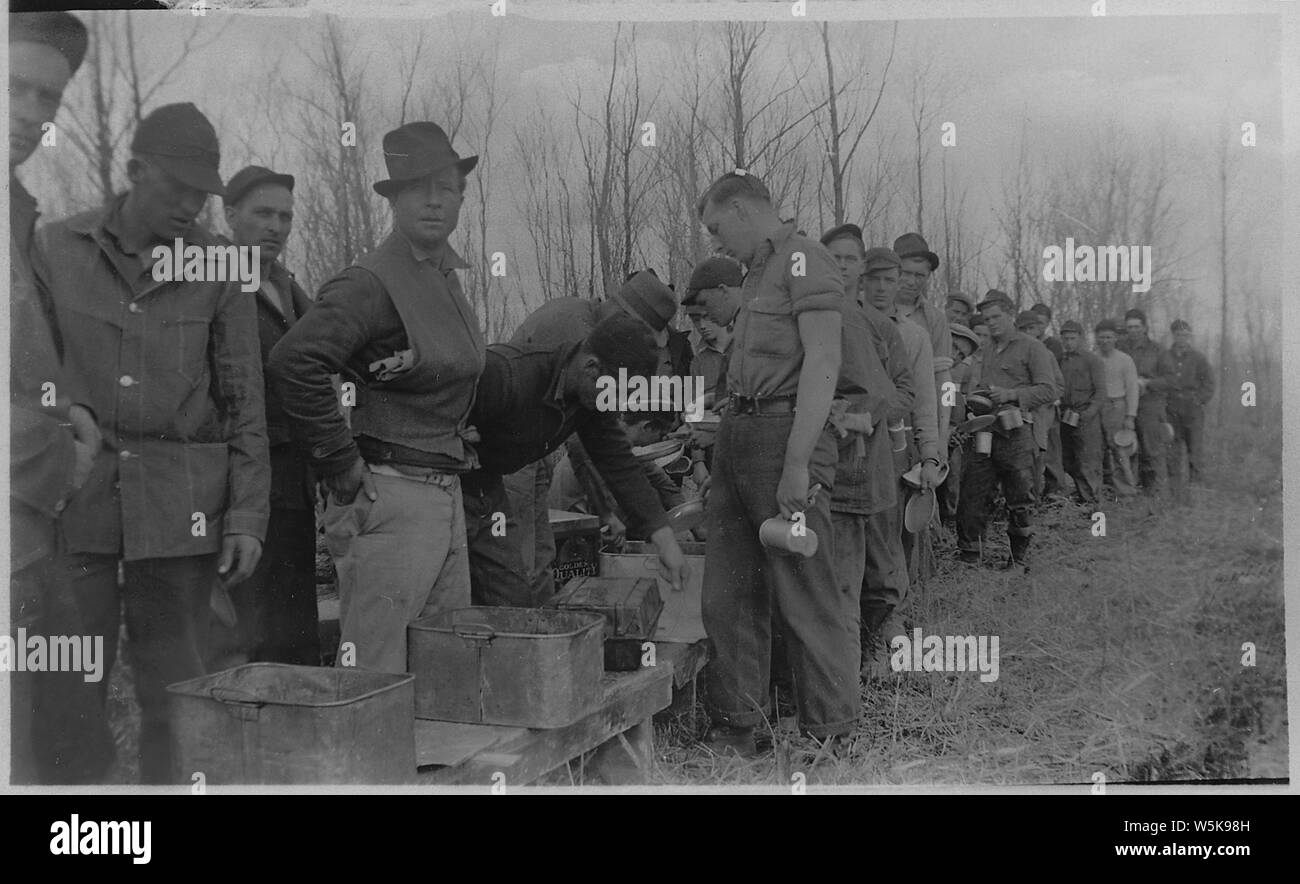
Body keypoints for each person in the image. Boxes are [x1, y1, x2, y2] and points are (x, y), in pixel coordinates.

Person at [35, 103, 270, 783]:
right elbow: (23, 383)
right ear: (135, 170)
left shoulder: (222, 266)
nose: (192, 206)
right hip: (72, 508)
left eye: (203, 194)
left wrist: (248, 516)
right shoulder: (54, 250)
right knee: (64, 697)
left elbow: (244, 399)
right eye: (177, 188)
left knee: (179, 697)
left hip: (181, 515)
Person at [268, 121, 483, 674]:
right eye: (418, 188)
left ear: (462, 198)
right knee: (373, 674)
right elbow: (296, 362)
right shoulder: (370, 280)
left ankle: (422, 765)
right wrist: (337, 459)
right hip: (389, 494)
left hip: (444, 492)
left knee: (442, 664)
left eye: (447, 188)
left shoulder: (446, 277)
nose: (435, 201)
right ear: (395, 199)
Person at [696, 171, 855, 754]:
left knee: (803, 583)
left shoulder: (805, 259)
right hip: (739, 434)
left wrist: (798, 463)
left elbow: (822, 364)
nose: (716, 243)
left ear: (740, 209)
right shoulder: (756, 272)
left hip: (783, 436)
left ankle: (829, 733)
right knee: (728, 590)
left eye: (717, 228)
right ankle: (742, 724)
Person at [8, 10, 111, 785]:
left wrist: (69, 406)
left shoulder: (16, 213)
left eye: (50, 99)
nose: (35, 116)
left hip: (34, 523)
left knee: (70, 742)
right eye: (16, 89)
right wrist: (55, 452)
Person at [462, 315, 688, 607]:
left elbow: (619, 463)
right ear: (591, 367)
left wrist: (664, 539)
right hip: (445, 488)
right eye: (616, 392)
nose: (617, 404)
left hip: (487, 493)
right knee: (446, 597)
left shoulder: (589, 398)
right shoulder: (507, 372)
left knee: (511, 597)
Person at [208, 165, 320, 669]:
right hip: (238, 482)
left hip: (293, 479)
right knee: (248, 630)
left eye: (286, 217)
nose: (276, 226)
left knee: (296, 627)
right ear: (231, 215)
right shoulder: (211, 281)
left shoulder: (288, 288)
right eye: (263, 214)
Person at [820, 225, 914, 682]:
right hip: (829, 463)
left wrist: (867, 413)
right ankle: (847, 663)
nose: (841, 266)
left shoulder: (879, 328)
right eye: (831, 258)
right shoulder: (816, 317)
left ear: (860, 267)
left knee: (881, 554)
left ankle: (882, 642)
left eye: (848, 259)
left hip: (872, 460)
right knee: (840, 566)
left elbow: (903, 392)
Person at [955, 292, 1059, 571]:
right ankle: (970, 560)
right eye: (987, 319)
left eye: (996, 317)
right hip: (986, 430)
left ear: (1010, 313)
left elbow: (1049, 389)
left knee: (1020, 495)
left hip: (1017, 432)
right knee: (973, 492)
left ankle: (1017, 560)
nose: (992, 324)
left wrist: (1012, 394)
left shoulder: (1032, 348)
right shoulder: (987, 349)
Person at [867, 247, 943, 584]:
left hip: (897, 443)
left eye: (889, 280)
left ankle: (895, 613)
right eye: (874, 279)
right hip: (851, 441)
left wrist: (930, 455)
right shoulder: (844, 325)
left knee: (898, 532)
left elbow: (926, 401)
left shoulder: (914, 335)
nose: (882, 287)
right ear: (861, 281)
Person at [893, 232, 954, 448]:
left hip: (919, 420)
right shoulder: (872, 307)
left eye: (920, 276)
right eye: (905, 273)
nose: (911, 282)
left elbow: (945, 382)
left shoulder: (935, 319)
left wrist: (943, 433)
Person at [1118, 308, 1176, 496]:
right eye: (1129, 327)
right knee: (1126, 448)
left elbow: (1170, 380)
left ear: (1144, 327)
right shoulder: (1120, 346)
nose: (1133, 330)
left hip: (1150, 404)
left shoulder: (1158, 350)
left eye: (1137, 326)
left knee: (1151, 449)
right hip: (1124, 404)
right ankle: (1130, 491)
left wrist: (1147, 382)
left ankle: (1155, 494)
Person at [1016, 310, 1068, 500]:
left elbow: (1059, 386)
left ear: (1038, 330)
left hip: (1041, 413)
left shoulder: (1047, 355)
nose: (1028, 332)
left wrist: (1043, 399)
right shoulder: (1013, 354)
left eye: (1031, 328)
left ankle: (1037, 498)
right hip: (1018, 412)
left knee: (1040, 457)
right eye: (1022, 329)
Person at [1056, 320, 1107, 506]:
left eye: (1072, 338)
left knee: (1088, 461)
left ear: (1081, 338)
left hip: (1086, 417)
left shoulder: (1092, 360)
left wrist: (1089, 413)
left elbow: (1101, 392)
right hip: (1065, 416)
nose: (1068, 342)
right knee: (1068, 459)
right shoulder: (1060, 360)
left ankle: (1093, 504)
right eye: (1065, 339)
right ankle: (1082, 496)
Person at [681, 256, 742, 406]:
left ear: (723, 291)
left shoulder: (752, 333)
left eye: (705, 303)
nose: (706, 310)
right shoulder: (700, 361)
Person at [1165, 319, 1215, 484]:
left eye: (1185, 335)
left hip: (1192, 409)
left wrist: (1198, 399)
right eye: (1179, 334)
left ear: (1190, 336)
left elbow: (1209, 383)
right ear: (1173, 336)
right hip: (1171, 409)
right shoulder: (1165, 356)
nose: (1182, 338)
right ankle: (1175, 490)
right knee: (1173, 450)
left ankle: (1195, 488)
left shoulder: (1198, 358)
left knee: (1194, 449)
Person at [1093, 319, 1139, 496]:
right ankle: (1101, 489)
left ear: (1115, 338)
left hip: (1117, 407)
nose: (1105, 341)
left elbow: (1132, 389)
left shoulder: (1125, 360)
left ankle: (1126, 490)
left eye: (1109, 337)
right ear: (1097, 339)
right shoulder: (1093, 357)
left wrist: (1130, 416)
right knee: (1097, 449)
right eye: (1102, 337)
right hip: (1097, 407)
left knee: (1119, 449)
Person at [940, 322, 981, 523]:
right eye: (953, 346)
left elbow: (950, 415)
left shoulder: (948, 383)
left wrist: (954, 430)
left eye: (961, 355)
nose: (955, 356)